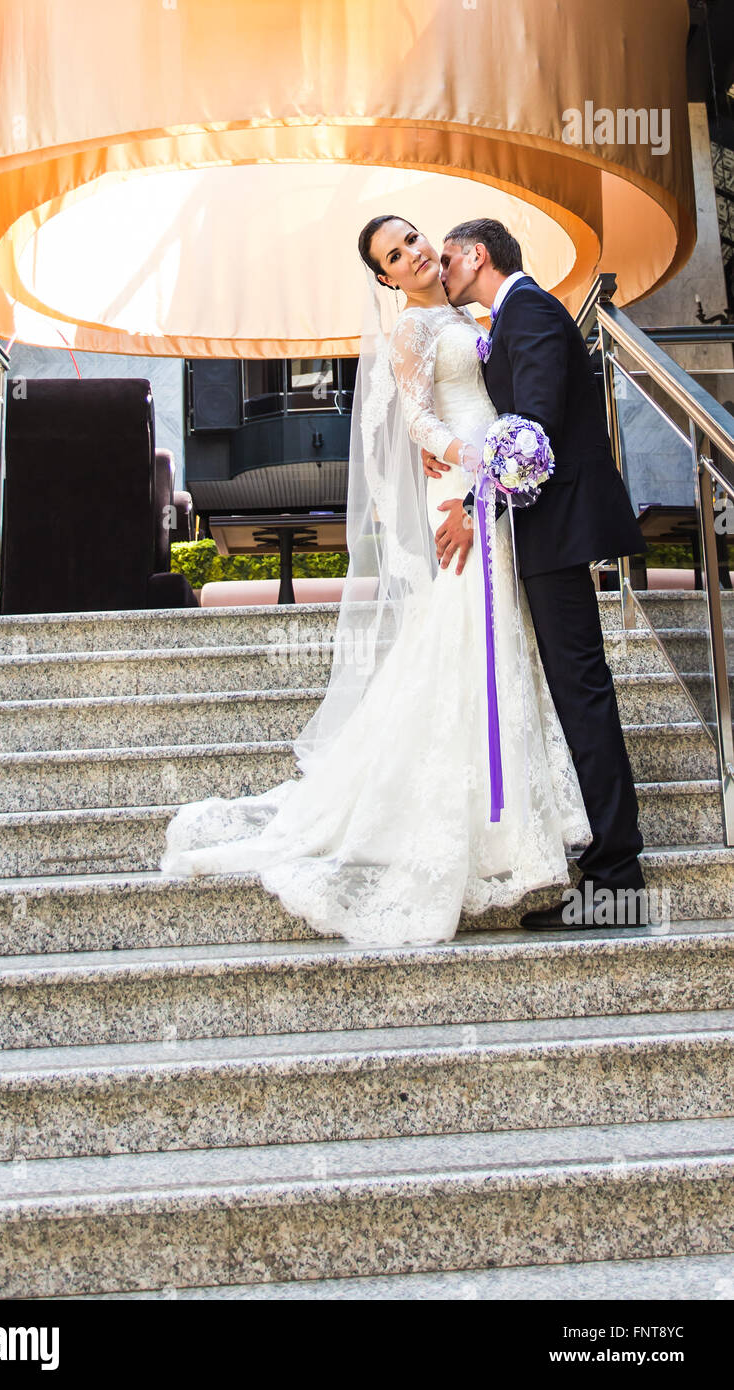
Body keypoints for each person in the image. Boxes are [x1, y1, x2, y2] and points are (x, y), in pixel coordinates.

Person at [158, 215, 592, 946]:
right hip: (466, 479)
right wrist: (476, 456)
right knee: (471, 623)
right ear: (387, 278)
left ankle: (514, 807)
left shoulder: (470, 310)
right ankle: (487, 823)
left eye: (415, 239)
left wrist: (496, 456)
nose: (414, 254)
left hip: (495, 481)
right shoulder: (412, 331)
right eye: (395, 255)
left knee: (491, 628)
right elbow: (416, 419)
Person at [424, 218, 647, 929]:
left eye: (449, 255)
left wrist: (468, 504)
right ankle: (610, 869)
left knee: (583, 694)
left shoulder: (533, 313)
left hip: (556, 533)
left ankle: (616, 880)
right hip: (541, 534)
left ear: (477, 254)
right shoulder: (515, 315)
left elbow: (532, 433)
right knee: (579, 693)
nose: (441, 266)